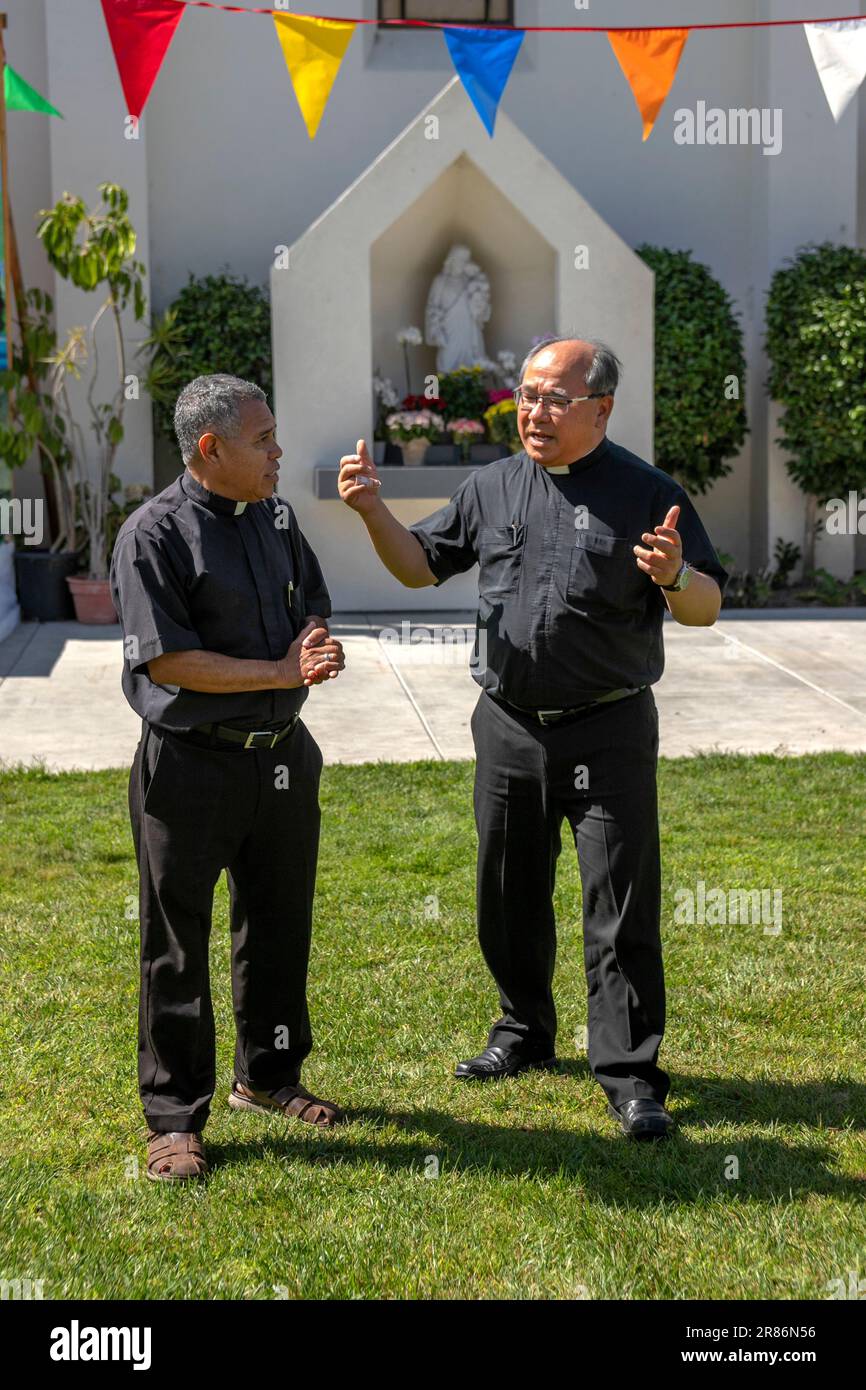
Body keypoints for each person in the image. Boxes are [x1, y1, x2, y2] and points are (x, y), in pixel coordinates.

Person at [337, 337, 729, 1141]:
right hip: (509, 725)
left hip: (610, 727)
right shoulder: (492, 485)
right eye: (527, 394)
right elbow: (418, 567)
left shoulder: (649, 494)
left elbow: (708, 607)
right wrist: (373, 509)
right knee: (507, 892)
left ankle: (629, 1075)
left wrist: (675, 578)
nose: (534, 411)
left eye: (555, 398)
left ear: (601, 409)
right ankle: (521, 1030)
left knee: (618, 903)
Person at [110, 374, 347, 1182]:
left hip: (282, 757)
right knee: (176, 941)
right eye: (263, 439)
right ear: (210, 449)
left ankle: (271, 1077)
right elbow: (170, 661)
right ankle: (174, 1116)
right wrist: (277, 667)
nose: (279, 451)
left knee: (278, 924)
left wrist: (314, 646)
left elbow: (311, 602)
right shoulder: (151, 534)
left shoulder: (276, 517)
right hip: (190, 767)